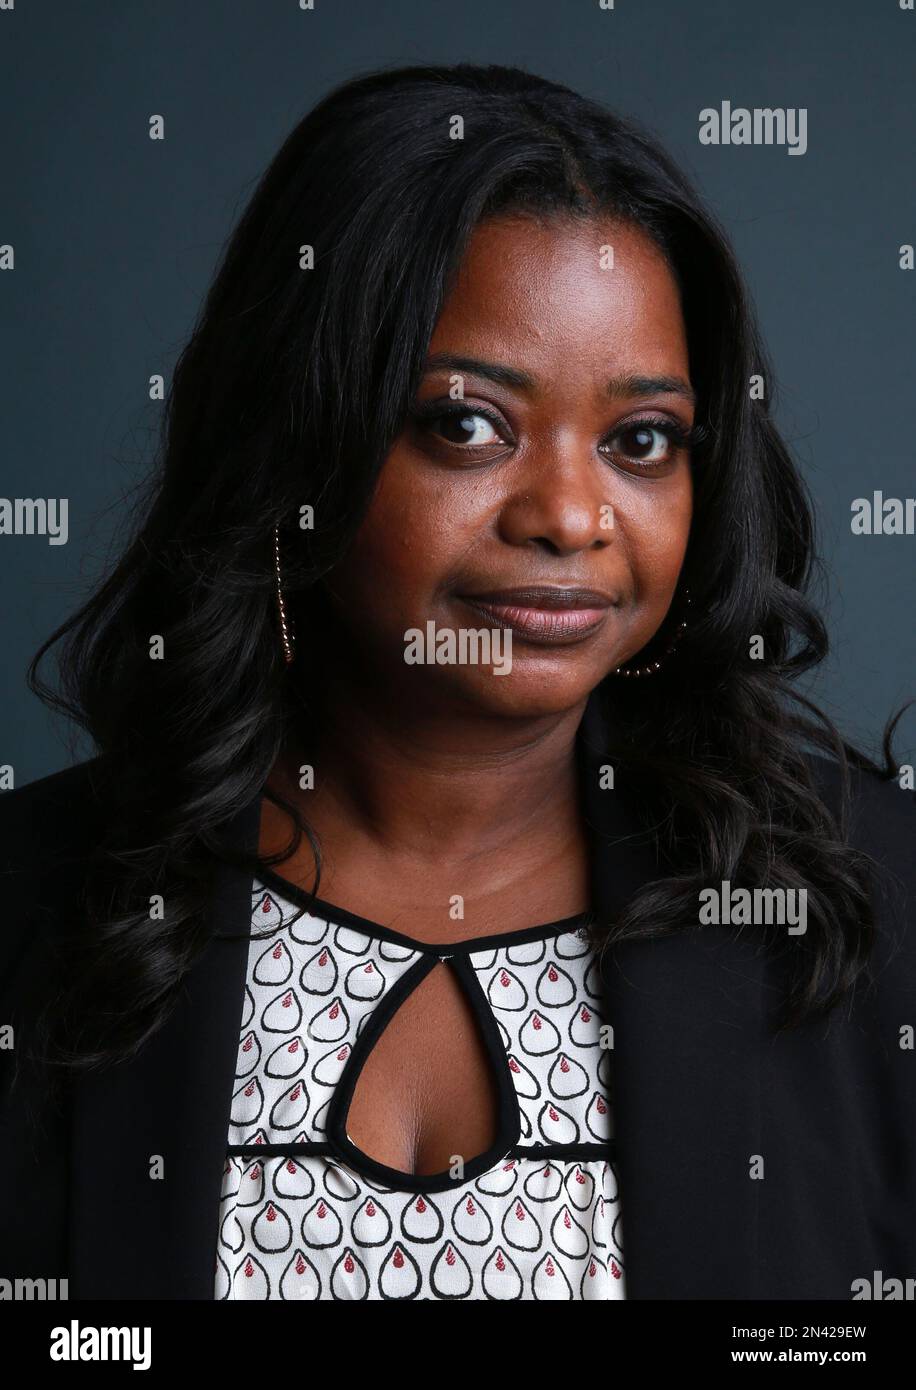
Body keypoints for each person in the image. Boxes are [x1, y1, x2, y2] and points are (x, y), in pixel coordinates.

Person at [1, 62, 914, 1302]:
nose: (571, 516)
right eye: (467, 424)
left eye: (641, 441)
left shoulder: (866, 907)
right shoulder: (36, 907)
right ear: (297, 440)